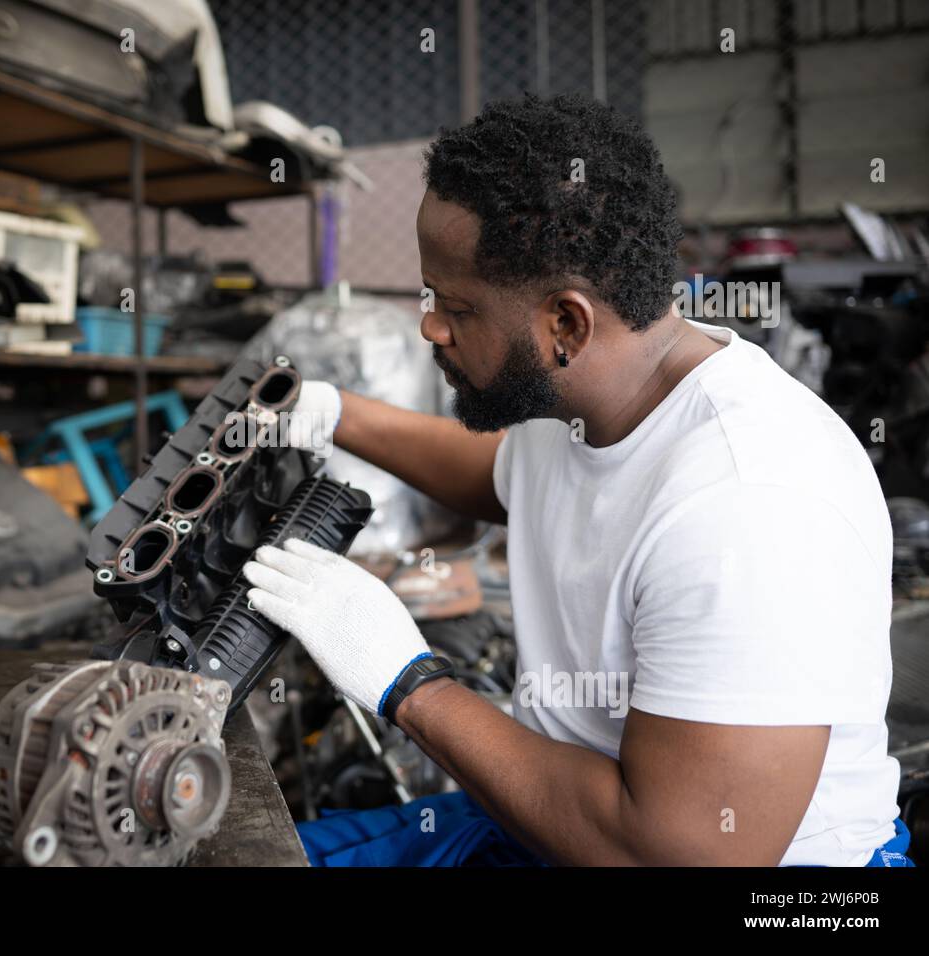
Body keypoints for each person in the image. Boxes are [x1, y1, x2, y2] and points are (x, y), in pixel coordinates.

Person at [242, 94, 913, 867]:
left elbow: (679, 856)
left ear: (567, 324)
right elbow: (506, 477)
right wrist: (330, 411)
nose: (429, 326)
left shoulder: (748, 503)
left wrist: (407, 681)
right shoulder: (592, 396)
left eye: (454, 306)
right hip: (567, 817)